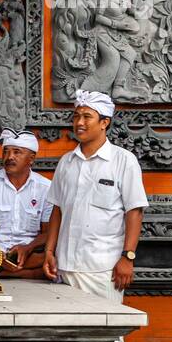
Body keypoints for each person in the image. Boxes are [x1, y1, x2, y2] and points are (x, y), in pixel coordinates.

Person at [44, 90, 147, 304]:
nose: (79, 123)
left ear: (104, 123)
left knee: (107, 333)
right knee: (67, 334)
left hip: (102, 270)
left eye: (87, 117)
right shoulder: (66, 162)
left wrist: (127, 258)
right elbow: (57, 210)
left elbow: (134, 211)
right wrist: (49, 251)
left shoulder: (123, 161)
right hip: (65, 266)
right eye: (76, 116)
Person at [0, 129, 53, 279]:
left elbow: (48, 232)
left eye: (17, 152)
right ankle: (27, 274)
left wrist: (27, 248)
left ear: (31, 158)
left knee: (53, 256)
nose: (9, 157)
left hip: (29, 254)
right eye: (5, 152)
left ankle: (2, 273)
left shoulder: (46, 188)